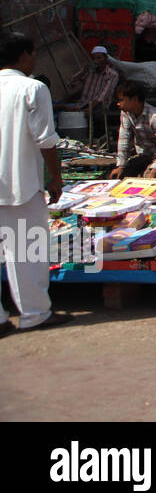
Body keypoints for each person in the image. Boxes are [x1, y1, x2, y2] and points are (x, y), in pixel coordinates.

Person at [0, 33, 72, 333]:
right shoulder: (33, 88)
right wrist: (55, 177)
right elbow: (46, 140)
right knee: (26, 251)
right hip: (21, 183)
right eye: (33, 54)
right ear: (24, 55)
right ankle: (34, 313)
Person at [109, 80, 156, 179]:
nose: (118, 104)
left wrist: (155, 169)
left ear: (134, 99)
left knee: (148, 178)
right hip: (145, 154)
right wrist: (121, 165)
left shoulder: (155, 117)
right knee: (122, 175)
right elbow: (124, 140)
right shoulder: (126, 114)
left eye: (121, 100)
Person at [55, 45, 119, 114]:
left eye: (99, 58)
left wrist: (89, 109)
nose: (96, 61)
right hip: (83, 104)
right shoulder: (89, 71)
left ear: (105, 58)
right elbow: (70, 84)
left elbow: (102, 96)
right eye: (93, 58)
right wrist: (83, 71)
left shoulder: (112, 75)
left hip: (99, 106)